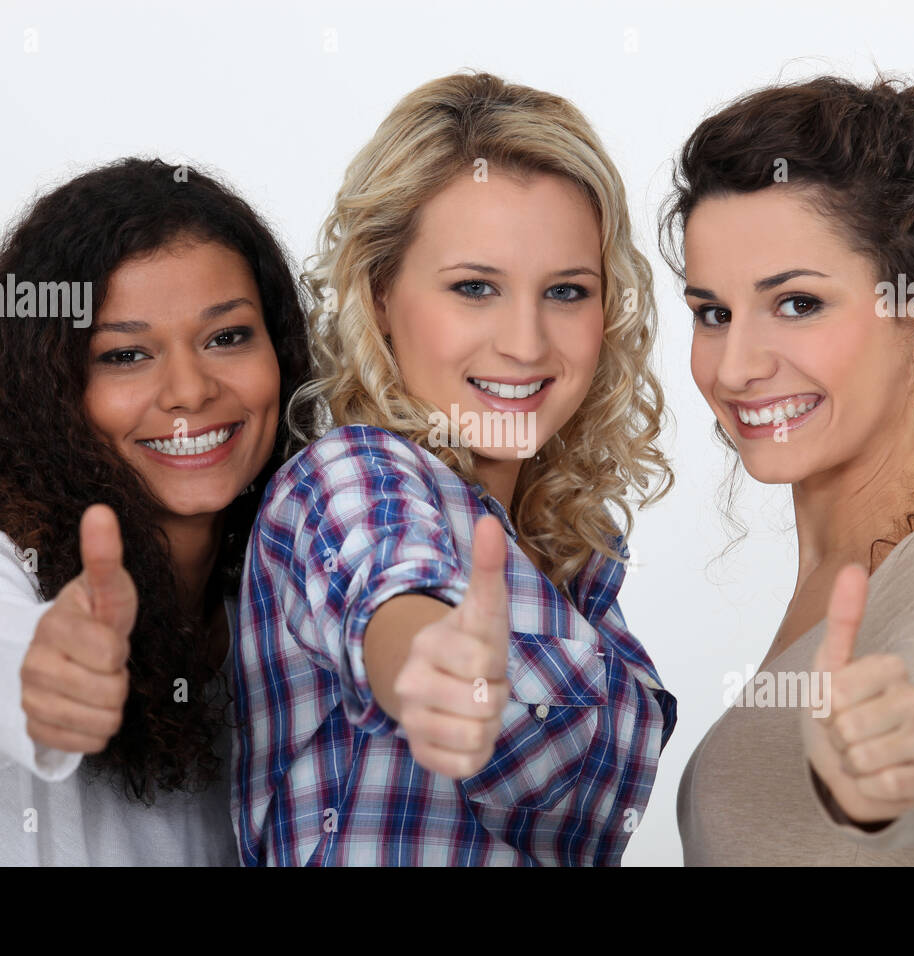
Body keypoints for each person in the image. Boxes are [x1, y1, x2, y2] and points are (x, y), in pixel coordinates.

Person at [232, 71, 676, 866]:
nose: (527, 343)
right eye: (475, 288)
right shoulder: (353, 474)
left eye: (567, 291)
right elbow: (392, 592)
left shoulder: (580, 553)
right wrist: (433, 666)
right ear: (377, 297)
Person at [0, 157, 312, 865]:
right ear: (51, 392)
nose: (188, 389)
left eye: (227, 337)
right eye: (125, 354)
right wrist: (42, 670)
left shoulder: (269, 611)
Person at [660, 76, 914, 865]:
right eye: (712, 313)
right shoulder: (835, 582)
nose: (737, 367)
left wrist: (911, 758)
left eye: (797, 304)